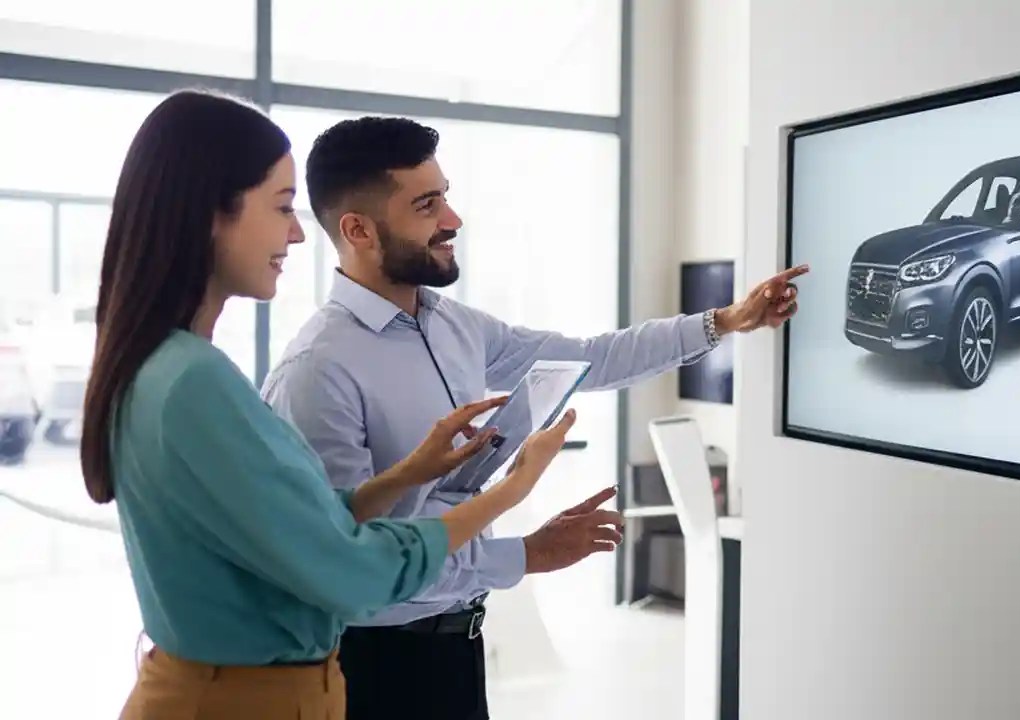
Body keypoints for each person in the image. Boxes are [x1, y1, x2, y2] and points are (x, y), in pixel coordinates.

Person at [262, 115, 806, 719]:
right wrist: (528, 553)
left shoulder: (457, 327)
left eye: (447, 196)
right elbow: (349, 569)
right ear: (358, 229)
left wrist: (725, 322)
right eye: (427, 204)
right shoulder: (316, 372)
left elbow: (594, 358)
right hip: (369, 670)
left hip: (457, 651)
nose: (453, 220)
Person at [81, 90, 574, 720]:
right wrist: (510, 492)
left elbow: (302, 528)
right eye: (283, 208)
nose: (294, 233)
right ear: (211, 213)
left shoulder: (170, 368)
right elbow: (349, 570)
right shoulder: (197, 383)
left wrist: (408, 474)